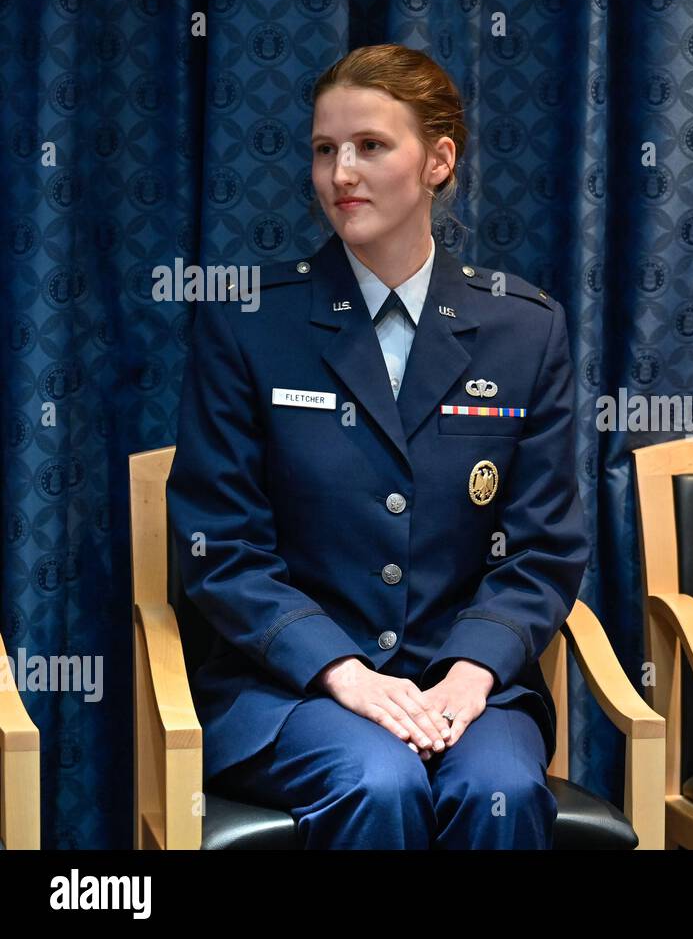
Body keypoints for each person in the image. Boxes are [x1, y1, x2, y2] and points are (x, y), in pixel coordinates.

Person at [167, 44, 587, 849]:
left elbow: (542, 548)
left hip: (466, 683)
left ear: (438, 160)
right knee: (380, 781)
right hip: (291, 688)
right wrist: (345, 673)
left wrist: (470, 674)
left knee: (498, 788)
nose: (340, 174)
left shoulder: (524, 331)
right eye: (325, 150)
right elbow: (219, 545)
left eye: (370, 146)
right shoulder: (251, 321)